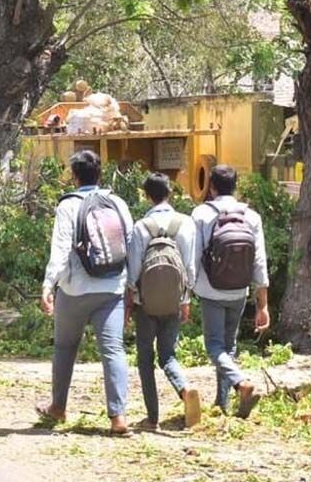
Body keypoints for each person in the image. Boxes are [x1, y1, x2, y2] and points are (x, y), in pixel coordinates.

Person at [38, 151, 133, 436]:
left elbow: (62, 248)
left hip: (75, 290)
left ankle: (58, 407)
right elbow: (131, 243)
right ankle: (118, 417)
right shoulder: (117, 202)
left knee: (65, 347)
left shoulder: (68, 205)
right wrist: (132, 286)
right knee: (113, 349)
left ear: (75, 176)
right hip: (112, 288)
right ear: (100, 174)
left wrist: (48, 285)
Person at [192, 165, 270, 419]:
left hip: (211, 290)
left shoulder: (202, 214)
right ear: (236, 185)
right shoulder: (252, 216)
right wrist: (263, 304)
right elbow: (259, 261)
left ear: (211, 187)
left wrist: (188, 290)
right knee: (229, 346)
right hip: (238, 290)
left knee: (214, 347)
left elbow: (194, 256)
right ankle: (221, 403)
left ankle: (240, 383)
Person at [126, 172, 200, 430]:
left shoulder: (140, 227)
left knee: (145, 358)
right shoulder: (187, 223)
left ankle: (152, 418)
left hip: (145, 303)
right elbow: (190, 268)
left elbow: (133, 272)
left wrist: (130, 302)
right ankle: (184, 388)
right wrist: (186, 299)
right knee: (168, 355)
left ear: (147, 196)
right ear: (170, 193)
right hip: (174, 300)